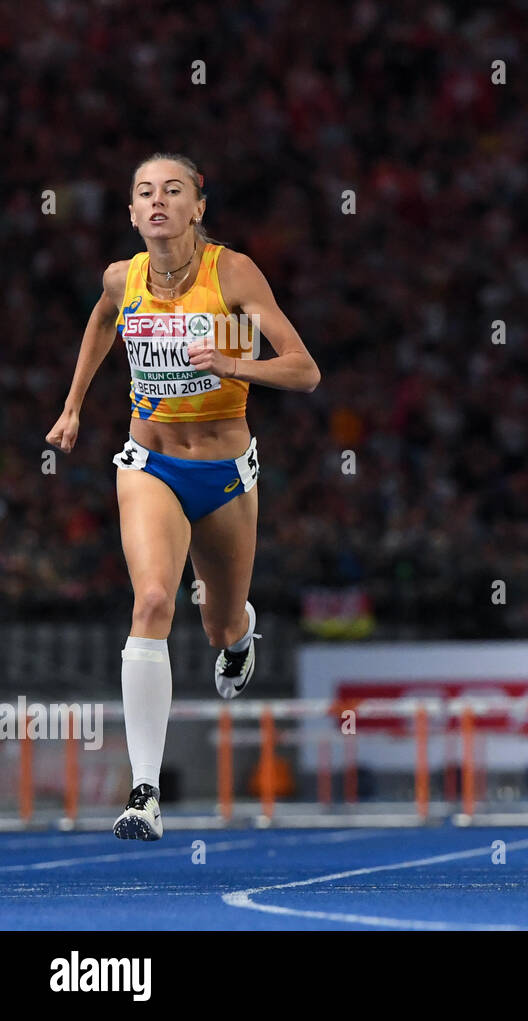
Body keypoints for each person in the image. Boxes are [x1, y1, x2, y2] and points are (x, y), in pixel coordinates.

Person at [45, 153, 320, 839]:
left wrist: (231, 361)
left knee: (219, 624)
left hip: (225, 472)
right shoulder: (122, 276)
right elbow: (103, 320)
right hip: (151, 464)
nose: (158, 200)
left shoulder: (233, 272)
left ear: (199, 206)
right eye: (145, 192)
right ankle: (145, 792)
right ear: (132, 214)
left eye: (174, 190)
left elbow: (306, 371)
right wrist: (74, 405)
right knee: (154, 599)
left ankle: (240, 632)